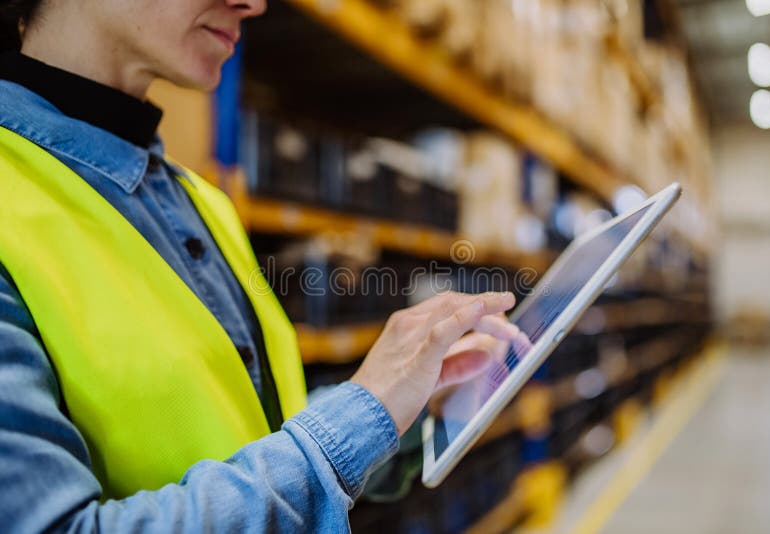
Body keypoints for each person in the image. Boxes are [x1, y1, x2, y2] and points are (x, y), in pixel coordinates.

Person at [0, 1, 523, 531]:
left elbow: (256, 431)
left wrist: (403, 407)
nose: (254, 3)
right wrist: (362, 413)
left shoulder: (200, 201)